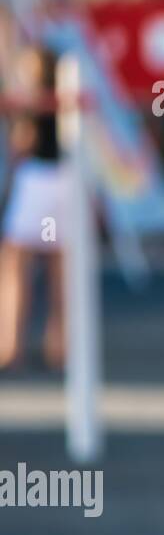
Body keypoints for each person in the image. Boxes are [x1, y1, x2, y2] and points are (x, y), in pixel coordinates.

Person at [0, 44, 67, 371]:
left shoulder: (30, 103)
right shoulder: (67, 98)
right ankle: (60, 345)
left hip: (35, 181)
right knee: (60, 273)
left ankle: (10, 344)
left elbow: (21, 145)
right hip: (64, 181)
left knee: (14, 265)